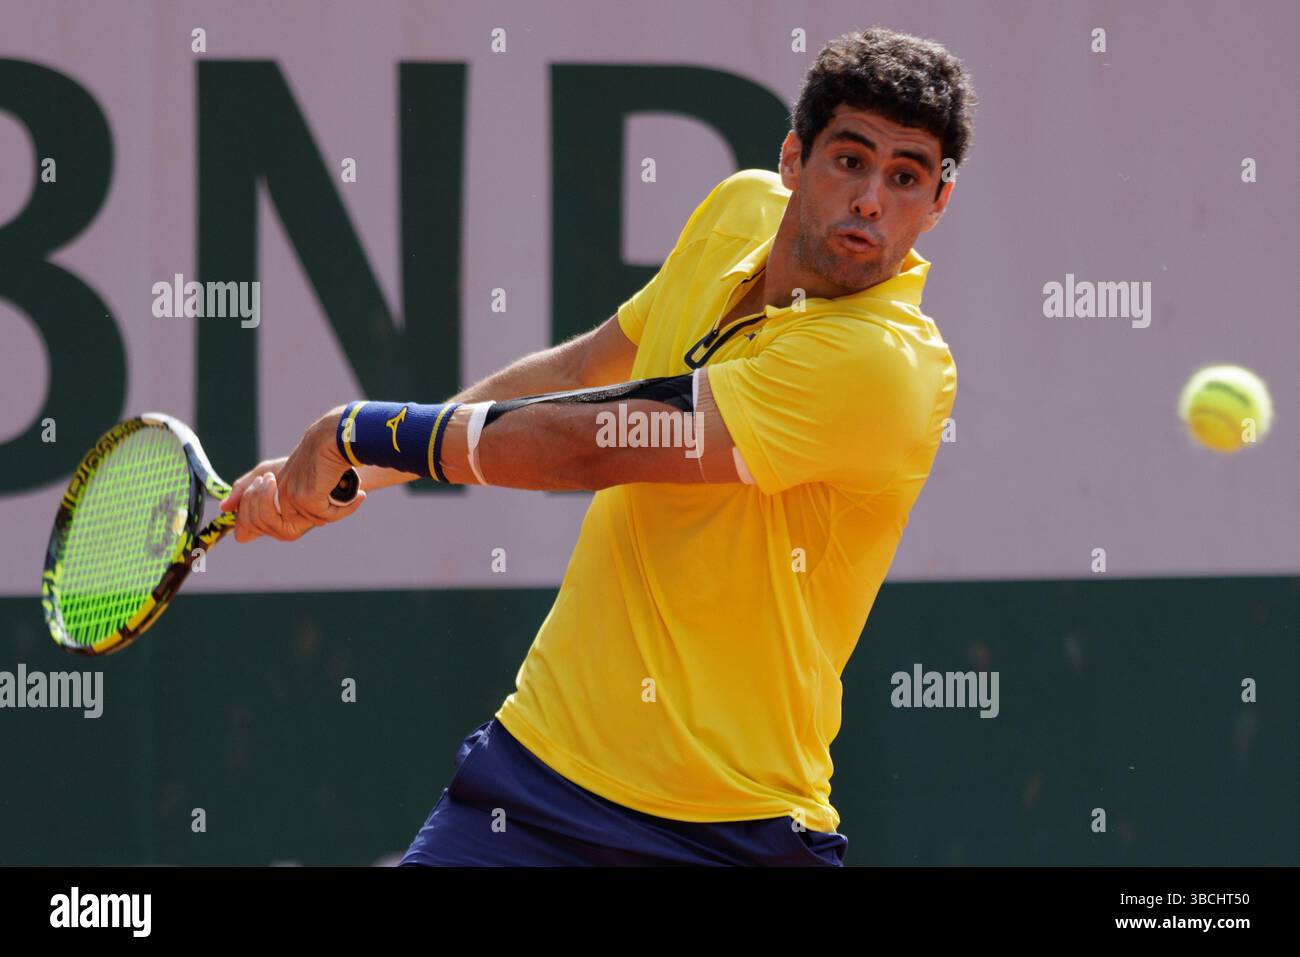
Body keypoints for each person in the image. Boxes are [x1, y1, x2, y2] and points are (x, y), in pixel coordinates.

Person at [220, 27, 975, 866]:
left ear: (937, 203)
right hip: (537, 779)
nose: (872, 198)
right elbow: (587, 365)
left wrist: (358, 430)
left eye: (906, 177)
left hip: (734, 833)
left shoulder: (886, 367)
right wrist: (368, 468)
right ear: (794, 158)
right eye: (850, 159)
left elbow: (599, 443)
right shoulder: (738, 212)